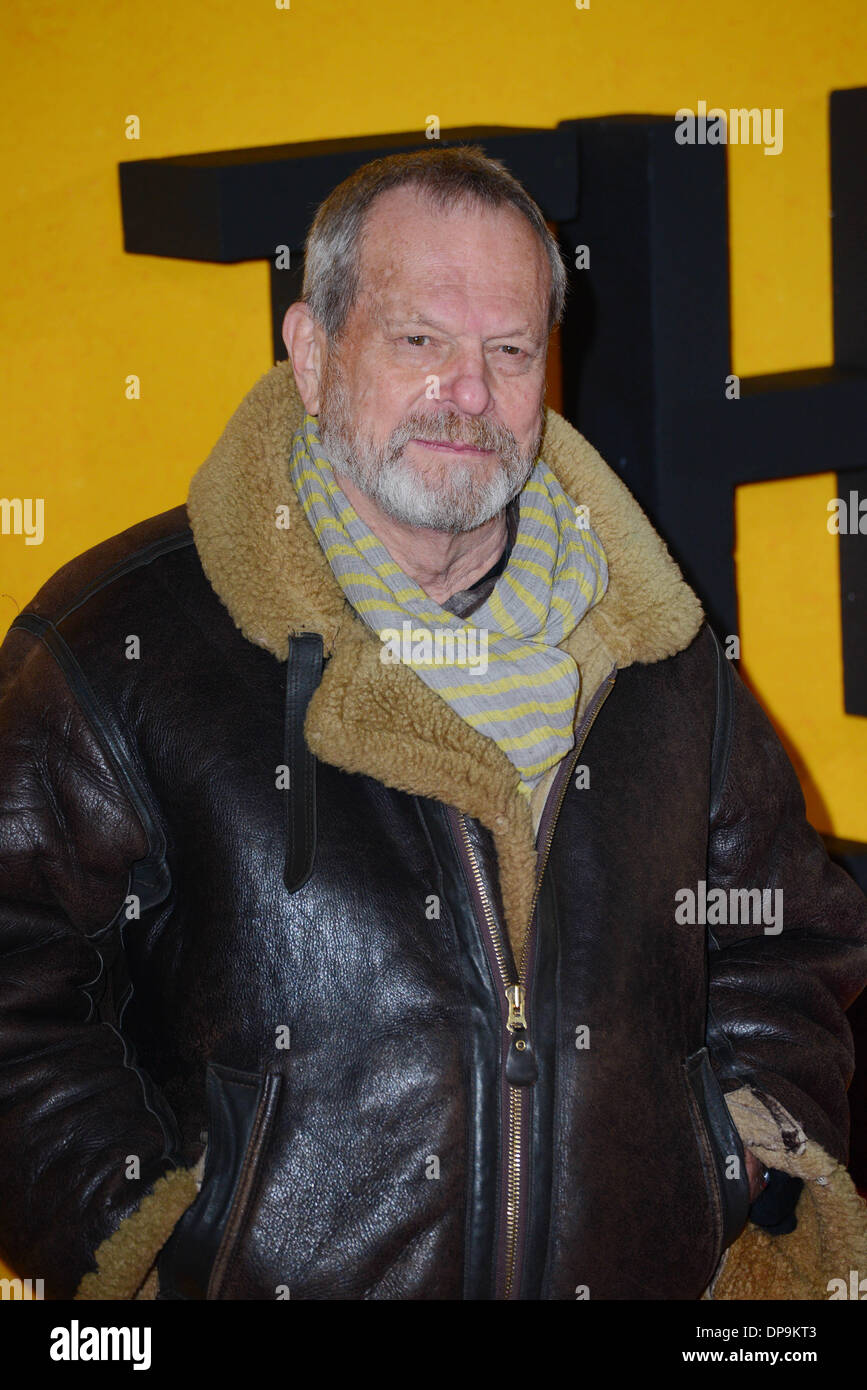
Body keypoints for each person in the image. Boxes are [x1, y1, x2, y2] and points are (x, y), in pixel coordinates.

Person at [0, 146, 865, 1302]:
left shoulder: (657, 652)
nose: (468, 392)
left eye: (509, 350)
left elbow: (785, 940)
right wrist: (147, 1249)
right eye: (419, 342)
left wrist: (753, 1183)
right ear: (313, 353)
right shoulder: (120, 640)